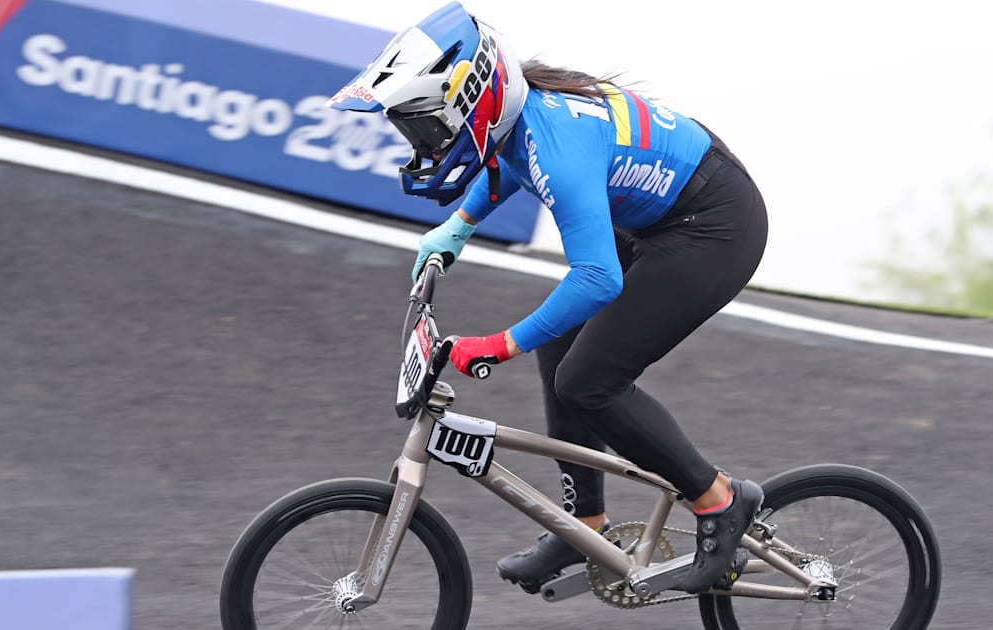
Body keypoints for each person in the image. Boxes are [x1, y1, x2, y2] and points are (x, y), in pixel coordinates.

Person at [328, 1, 769, 595]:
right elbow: (512, 161)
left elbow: (598, 278)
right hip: (667, 215)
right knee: (560, 344)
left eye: (427, 127)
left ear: (472, 101)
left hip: (713, 228)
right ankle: (583, 524)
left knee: (589, 381)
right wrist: (458, 227)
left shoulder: (557, 148)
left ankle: (719, 500)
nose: (424, 143)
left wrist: (500, 344)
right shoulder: (521, 115)